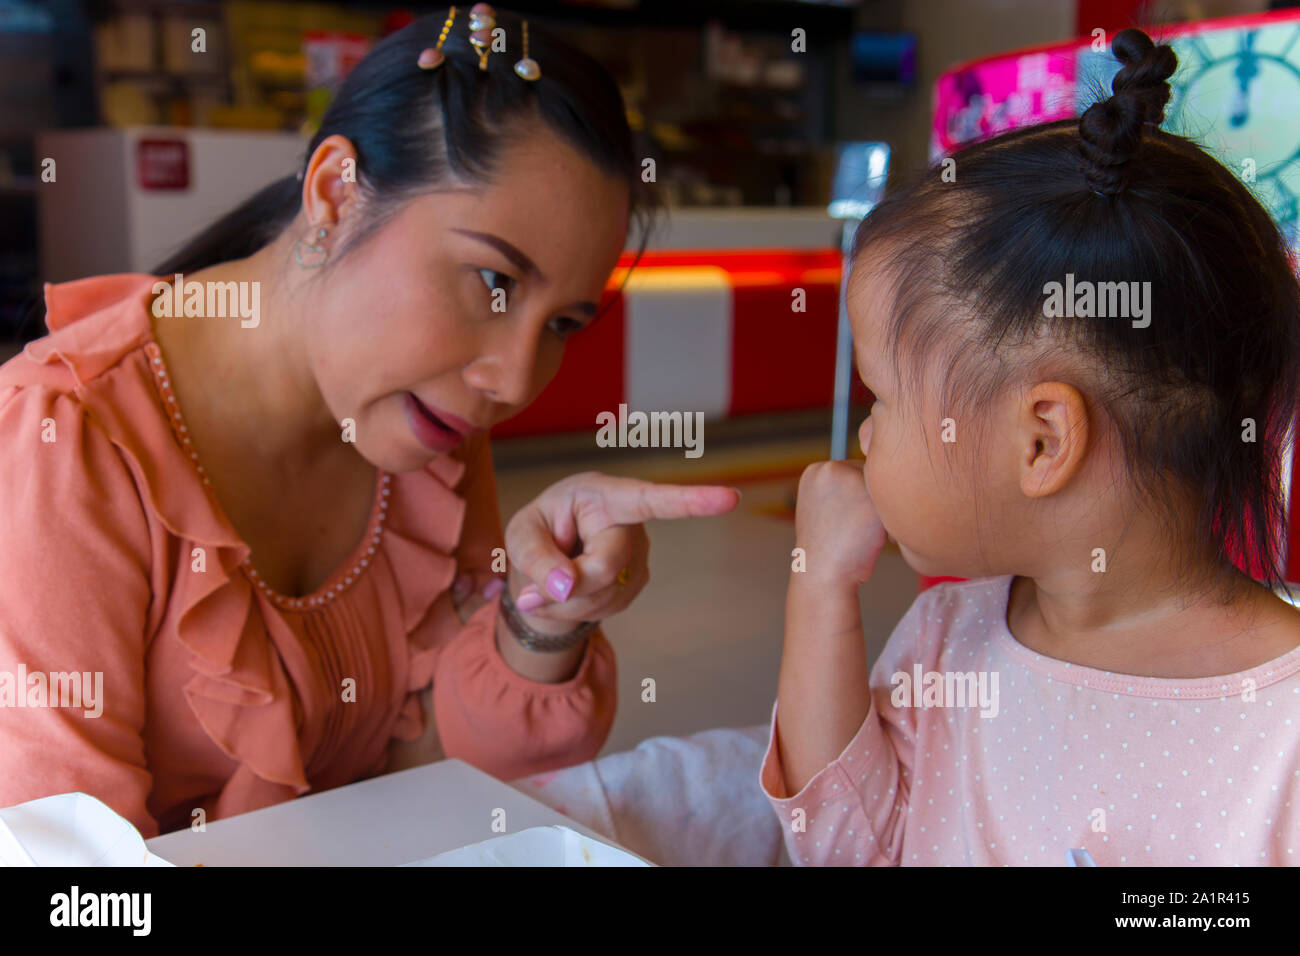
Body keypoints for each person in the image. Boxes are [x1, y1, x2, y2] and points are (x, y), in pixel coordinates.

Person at [0, 6, 738, 838]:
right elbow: (69, 873)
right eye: (493, 282)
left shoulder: (428, 427)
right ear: (335, 194)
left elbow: (422, 772)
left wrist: (540, 617)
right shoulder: (64, 443)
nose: (514, 378)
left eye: (562, 324)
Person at [764, 28, 1300, 865]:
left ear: (1042, 441)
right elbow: (841, 850)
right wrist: (820, 586)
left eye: (884, 397)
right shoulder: (946, 637)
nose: (865, 434)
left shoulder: (1284, 732)